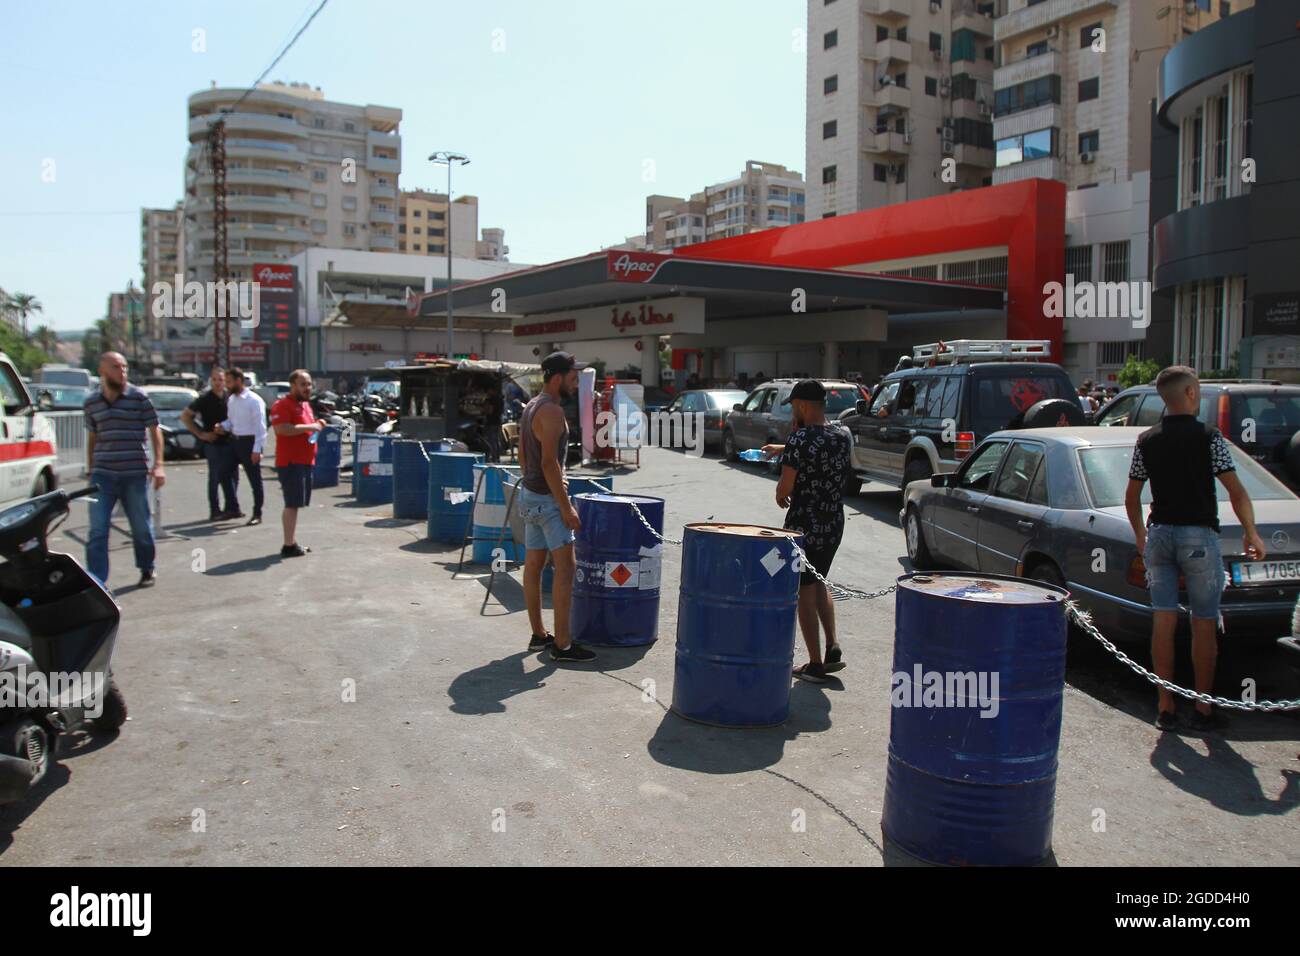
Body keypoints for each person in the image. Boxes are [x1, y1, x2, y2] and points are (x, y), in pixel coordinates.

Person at [1125, 365, 1266, 733]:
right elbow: (1235, 490)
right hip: (1198, 538)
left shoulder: (1146, 439)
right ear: (1190, 394)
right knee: (1204, 622)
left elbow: (1132, 496)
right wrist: (1251, 532)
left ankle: (1165, 704)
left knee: (1163, 619)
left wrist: (1141, 535)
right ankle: (1203, 707)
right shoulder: (1209, 437)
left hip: (1159, 536)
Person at [761, 381, 853, 683]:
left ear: (801, 405)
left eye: (793, 406)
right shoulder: (841, 433)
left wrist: (779, 489)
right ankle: (832, 646)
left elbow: (784, 489)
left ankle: (814, 663)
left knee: (803, 589)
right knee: (819, 579)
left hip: (804, 524)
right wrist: (784, 447)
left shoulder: (800, 438)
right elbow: (820, 446)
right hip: (833, 522)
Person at [517, 351, 596, 663]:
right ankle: (562, 645)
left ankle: (539, 635)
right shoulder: (551, 411)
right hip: (549, 502)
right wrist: (566, 507)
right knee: (566, 567)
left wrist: (530, 483)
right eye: (573, 379)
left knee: (534, 564)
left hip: (530, 495)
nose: (576, 385)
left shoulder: (531, 406)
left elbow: (524, 455)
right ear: (557, 378)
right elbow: (549, 462)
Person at [83, 352, 165, 588]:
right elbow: (93, 436)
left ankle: (147, 567)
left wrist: (158, 465)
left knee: (141, 526)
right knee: (98, 530)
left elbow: (154, 429)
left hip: (134, 473)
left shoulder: (139, 397)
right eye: (116, 367)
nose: (122, 371)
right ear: (102, 371)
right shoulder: (91, 402)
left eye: (124, 367)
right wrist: (91, 470)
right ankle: (97, 580)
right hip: (102, 475)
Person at [270, 369, 323, 558]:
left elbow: (307, 429)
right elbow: (281, 429)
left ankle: (291, 541)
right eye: (303, 384)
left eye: (309, 384)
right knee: (292, 504)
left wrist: (317, 425)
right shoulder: (282, 405)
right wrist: (311, 427)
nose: (307, 388)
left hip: (305, 461)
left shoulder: (305, 405)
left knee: (297, 503)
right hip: (291, 462)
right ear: (292, 385)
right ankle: (288, 545)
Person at [182, 366, 239, 521]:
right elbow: (186, 417)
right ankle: (214, 510)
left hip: (230, 442)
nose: (218, 383)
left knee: (233, 476)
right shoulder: (204, 399)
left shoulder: (231, 397)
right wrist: (201, 434)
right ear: (210, 381)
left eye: (221, 380)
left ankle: (231, 508)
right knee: (214, 477)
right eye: (215, 379)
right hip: (213, 444)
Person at [219, 367, 267, 526]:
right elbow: (232, 421)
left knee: (254, 480)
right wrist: (222, 426)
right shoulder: (232, 400)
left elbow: (261, 427)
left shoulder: (253, 400)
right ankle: (233, 507)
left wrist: (257, 449)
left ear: (239, 381)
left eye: (229, 382)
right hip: (235, 441)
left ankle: (257, 513)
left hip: (250, 441)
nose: (227, 385)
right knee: (223, 473)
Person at [483, 384, 504, 463]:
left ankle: (493, 457)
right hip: (498, 421)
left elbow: (490, 411)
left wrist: (485, 410)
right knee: (496, 440)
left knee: (491, 441)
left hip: (491, 422)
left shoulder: (491, 399)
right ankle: (497, 457)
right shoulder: (500, 399)